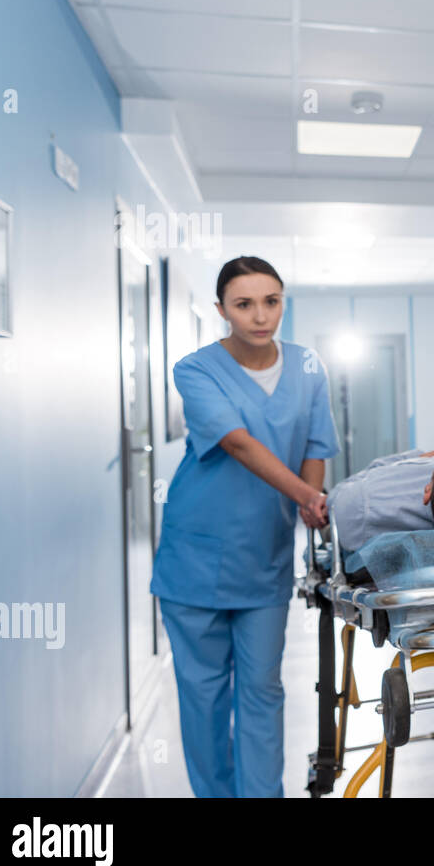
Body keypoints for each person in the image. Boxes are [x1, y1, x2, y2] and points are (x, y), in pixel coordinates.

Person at [151, 256, 340, 798]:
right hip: (196, 559)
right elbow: (236, 442)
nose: (261, 316)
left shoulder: (307, 366)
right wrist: (306, 495)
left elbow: (316, 446)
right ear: (221, 310)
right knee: (205, 696)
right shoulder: (195, 368)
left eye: (272, 301)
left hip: (265, 557)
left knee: (262, 688)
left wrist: (310, 500)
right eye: (244, 304)